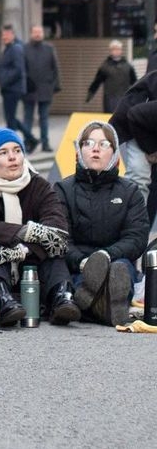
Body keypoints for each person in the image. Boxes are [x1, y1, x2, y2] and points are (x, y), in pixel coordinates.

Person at [0, 128, 79, 326]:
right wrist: (24, 232)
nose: (12, 157)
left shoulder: (39, 184)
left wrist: (23, 249)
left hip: (31, 257)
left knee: (55, 255)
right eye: (3, 153)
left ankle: (62, 298)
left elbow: (57, 227)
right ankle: (4, 301)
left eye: (17, 150)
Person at [54, 121, 148, 326]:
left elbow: (136, 237)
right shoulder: (63, 189)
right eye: (88, 143)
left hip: (116, 259)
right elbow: (60, 237)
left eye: (104, 144)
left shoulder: (130, 191)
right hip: (78, 264)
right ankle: (105, 307)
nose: (95, 149)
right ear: (79, 151)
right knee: (80, 278)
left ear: (114, 153)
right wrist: (82, 262)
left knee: (120, 269)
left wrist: (106, 255)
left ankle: (101, 303)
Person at [105, 68, 157, 224]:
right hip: (134, 122)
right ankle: (130, 228)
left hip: (149, 122)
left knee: (154, 183)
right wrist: (152, 150)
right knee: (140, 178)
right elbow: (135, 115)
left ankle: (143, 228)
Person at [23, 25, 61, 153]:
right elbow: (21, 70)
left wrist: (55, 86)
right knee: (28, 118)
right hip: (29, 89)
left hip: (45, 89)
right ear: (31, 34)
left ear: (43, 33)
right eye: (35, 32)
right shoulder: (24, 49)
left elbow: (55, 68)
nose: (38, 34)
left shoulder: (49, 49)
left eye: (39, 32)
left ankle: (45, 143)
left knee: (44, 118)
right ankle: (28, 143)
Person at [0, 25, 30, 149]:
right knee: (11, 117)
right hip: (8, 88)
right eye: (3, 35)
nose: (4, 37)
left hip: (12, 89)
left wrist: (4, 80)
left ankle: (13, 143)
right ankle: (30, 138)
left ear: (13, 35)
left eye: (7, 35)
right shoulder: (8, 48)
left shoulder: (15, 49)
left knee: (10, 119)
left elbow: (18, 69)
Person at [84, 40, 134, 112]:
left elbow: (134, 82)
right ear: (111, 51)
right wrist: (90, 93)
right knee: (109, 117)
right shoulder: (104, 67)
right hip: (110, 98)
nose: (116, 51)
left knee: (123, 116)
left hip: (124, 97)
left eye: (118, 49)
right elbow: (97, 81)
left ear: (121, 50)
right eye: (114, 49)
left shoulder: (128, 66)